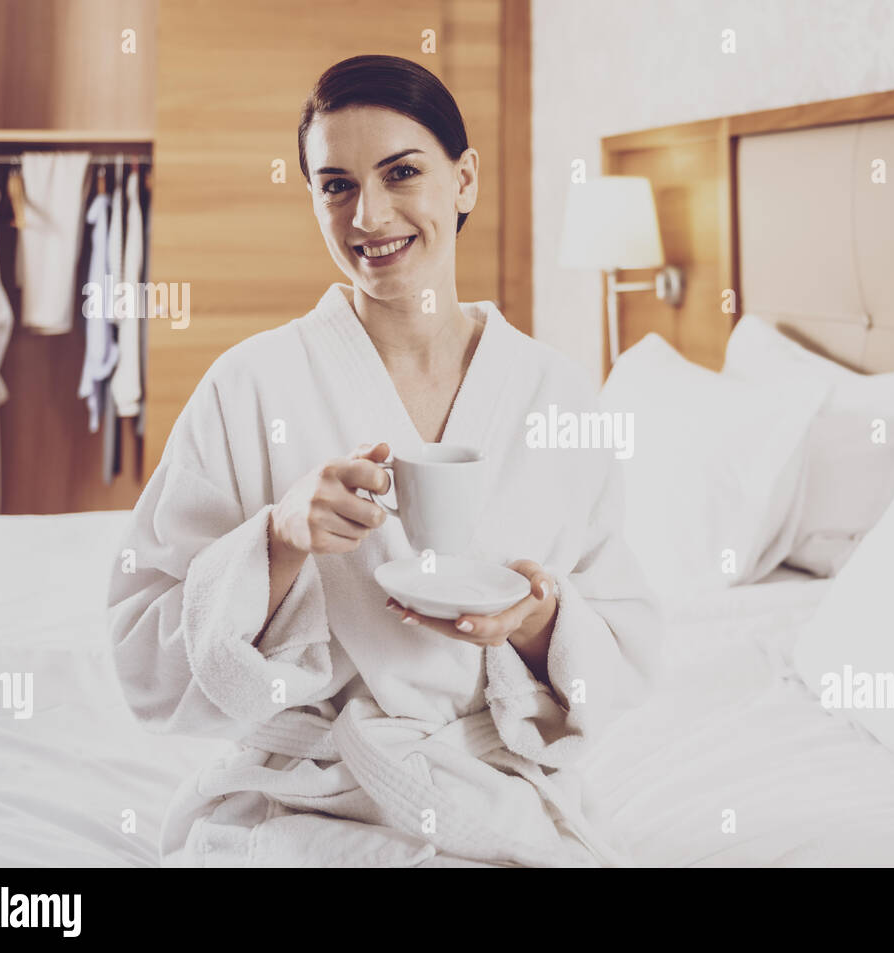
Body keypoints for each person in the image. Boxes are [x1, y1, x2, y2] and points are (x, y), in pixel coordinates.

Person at [107, 54, 662, 867]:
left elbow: (623, 645)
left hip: (491, 792)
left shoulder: (556, 394)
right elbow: (145, 658)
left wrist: (537, 619)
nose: (368, 214)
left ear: (464, 180)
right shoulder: (249, 383)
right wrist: (280, 537)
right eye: (335, 185)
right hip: (300, 793)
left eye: (402, 172)